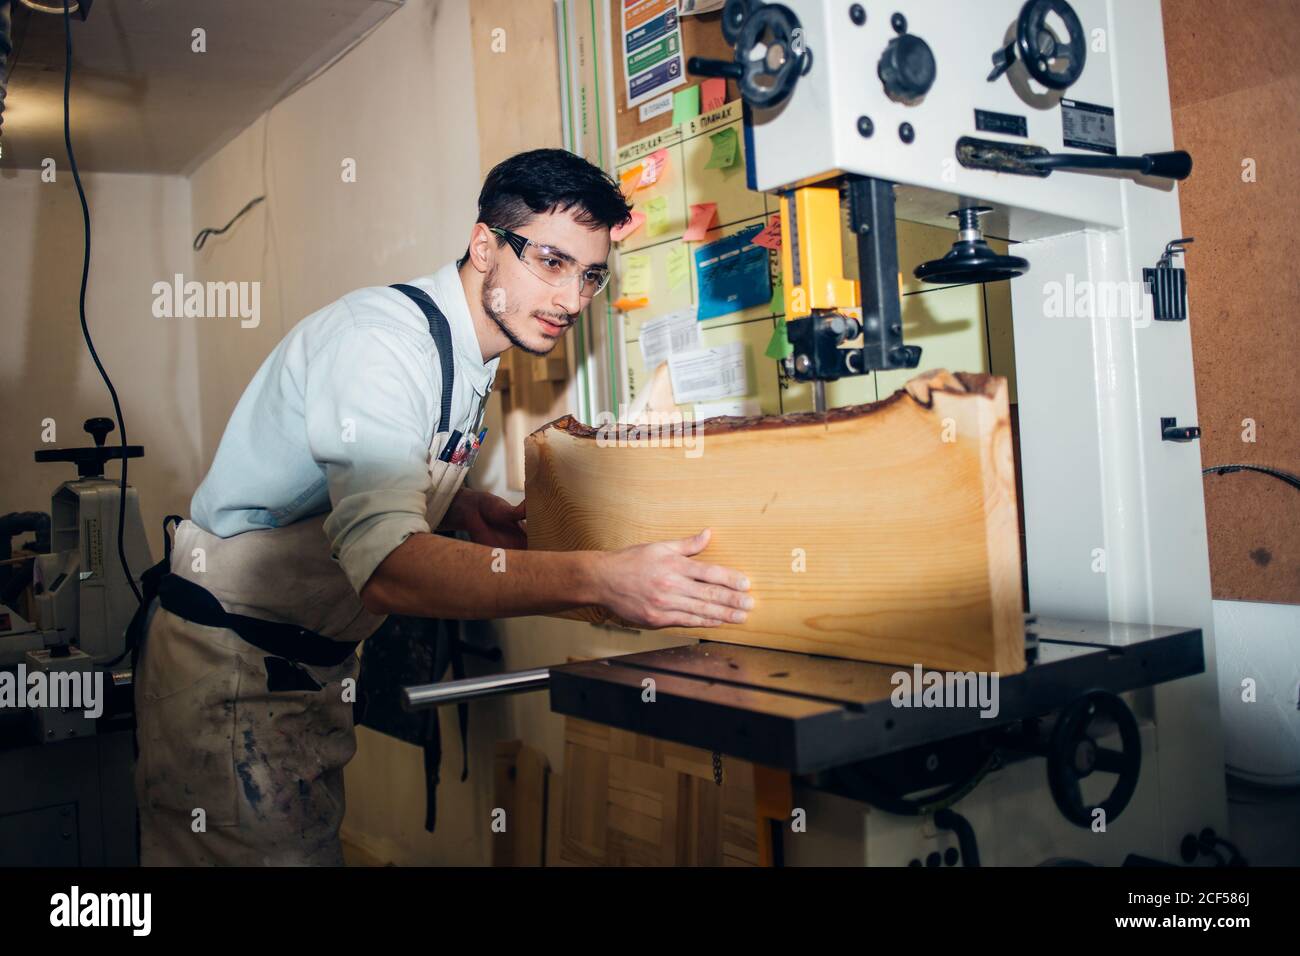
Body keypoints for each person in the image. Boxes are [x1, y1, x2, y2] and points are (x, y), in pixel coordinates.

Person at [132, 148, 752, 865]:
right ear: (485, 244)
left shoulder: (465, 352)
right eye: (550, 262)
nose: (572, 299)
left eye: (589, 274)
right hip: (230, 666)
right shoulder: (383, 344)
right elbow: (388, 569)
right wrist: (600, 579)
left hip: (308, 671)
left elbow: (362, 476)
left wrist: (461, 509)